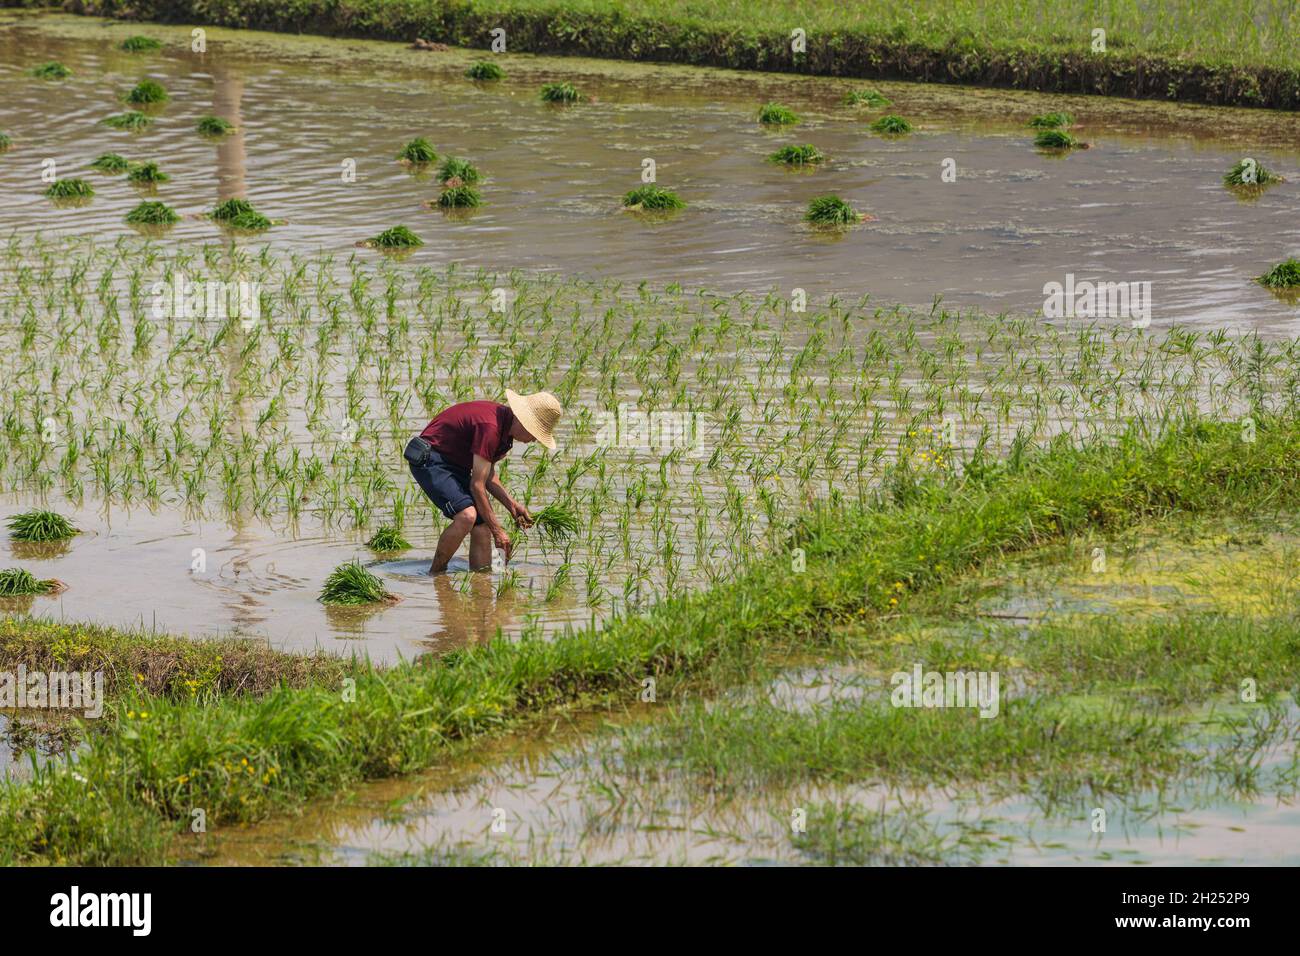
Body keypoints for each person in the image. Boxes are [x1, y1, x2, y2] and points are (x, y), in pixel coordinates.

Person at [408, 389, 562, 574]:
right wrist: (498, 531)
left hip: (455, 463)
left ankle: (481, 583)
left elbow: (487, 475)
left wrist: (512, 505)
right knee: (467, 516)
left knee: (482, 526)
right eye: (536, 433)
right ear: (524, 422)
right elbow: (477, 485)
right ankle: (435, 575)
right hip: (431, 460)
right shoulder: (491, 427)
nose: (535, 440)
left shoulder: (505, 431)